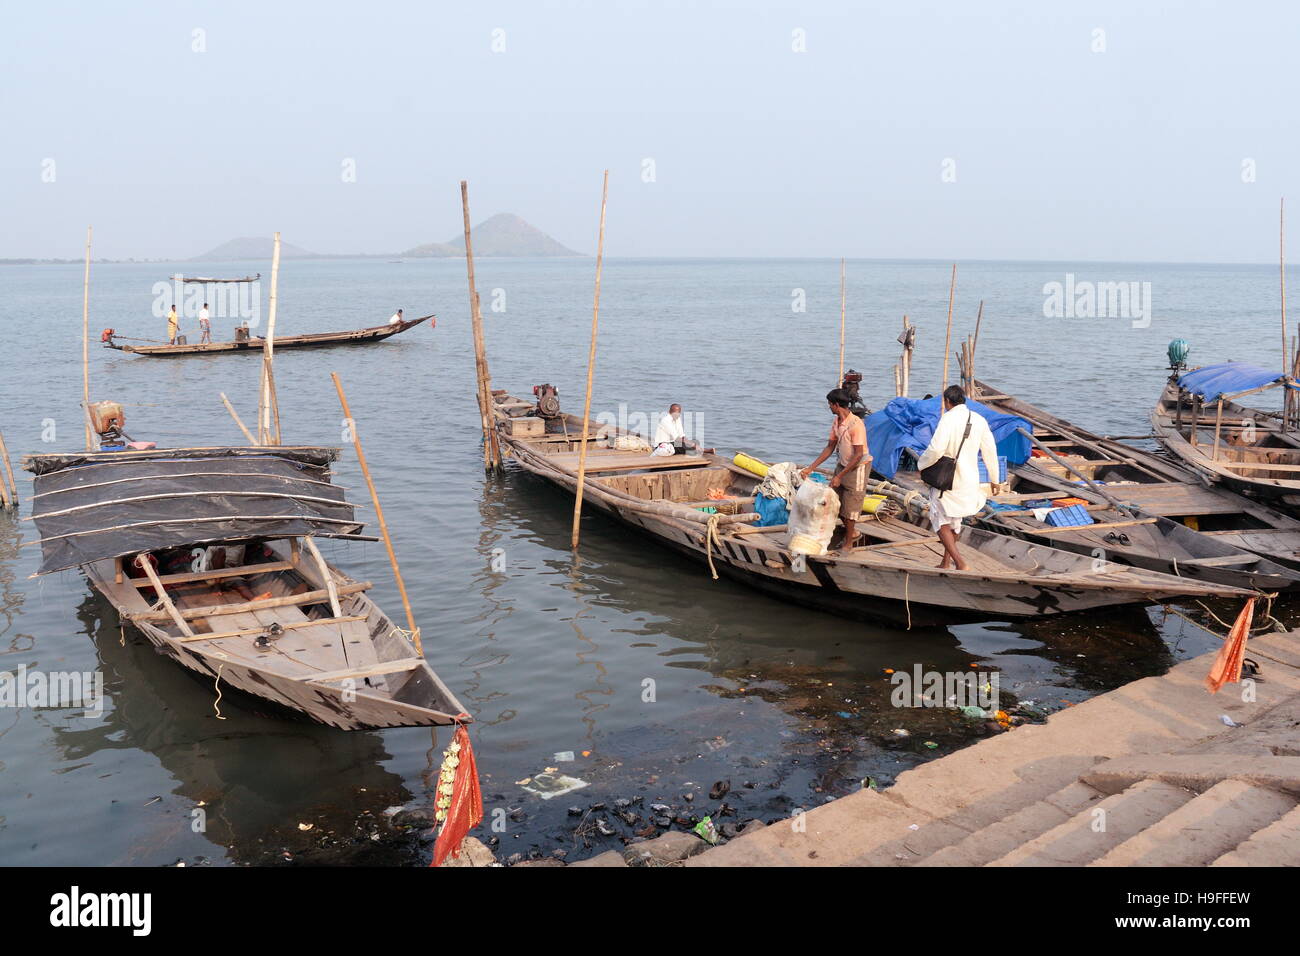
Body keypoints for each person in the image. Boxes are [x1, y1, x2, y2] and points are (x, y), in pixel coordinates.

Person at [916, 385, 1002, 571]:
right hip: (970, 478)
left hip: (948, 479)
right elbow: (990, 451)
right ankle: (946, 562)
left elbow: (936, 449)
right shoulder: (979, 420)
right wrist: (995, 479)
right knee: (955, 521)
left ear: (947, 401)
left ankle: (960, 563)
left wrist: (921, 465)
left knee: (939, 520)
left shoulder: (948, 419)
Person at [800, 388, 871, 552]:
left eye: (830, 404)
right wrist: (811, 468)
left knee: (852, 506)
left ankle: (848, 544)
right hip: (843, 464)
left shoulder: (856, 424)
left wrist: (840, 476)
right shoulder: (837, 422)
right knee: (835, 502)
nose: (829, 407)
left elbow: (859, 454)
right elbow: (830, 447)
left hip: (858, 467)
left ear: (836, 405)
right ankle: (852, 534)